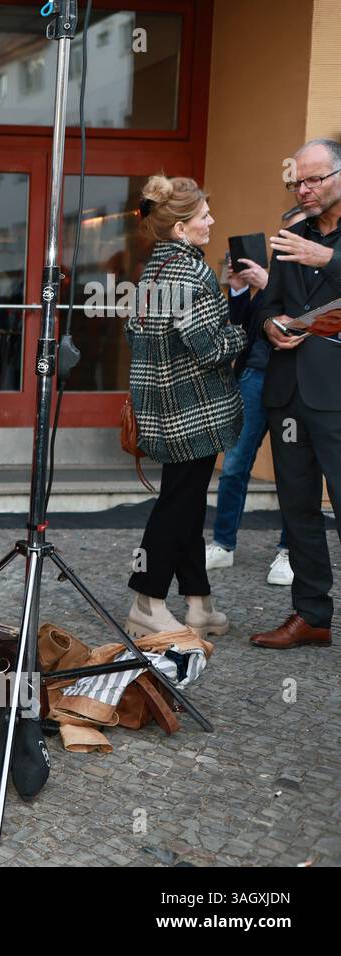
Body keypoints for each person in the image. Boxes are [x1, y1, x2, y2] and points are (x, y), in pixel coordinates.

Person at [124, 175, 245, 641]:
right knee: (179, 503)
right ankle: (147, 601)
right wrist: (245, 329)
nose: (212, 220)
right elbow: (212, 348)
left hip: (161, 405)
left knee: (186, 498)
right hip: (193, 409)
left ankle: (199, 603)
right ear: (180, 228)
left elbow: (135, 336)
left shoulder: (153, 271)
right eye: (203, 215)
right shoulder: (190, 272)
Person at [253, 139, 341, 650]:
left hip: (336, 396)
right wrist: (270, 325)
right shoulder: (291, 236)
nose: (303, 189)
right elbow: (270, 303)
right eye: (297, 182)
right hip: (289, 394)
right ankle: (311, 615)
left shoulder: (316, 244)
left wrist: (326, 257)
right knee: (298, 508)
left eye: (314, 180)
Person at [206, 206, 308, 585]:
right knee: (234, 465)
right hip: (254, 378)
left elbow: (311, 316)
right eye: (282, 236)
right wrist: (238, 288)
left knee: (293, 471)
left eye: (293, 234)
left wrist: (267, 283)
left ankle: (288, 551)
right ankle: (223, 543)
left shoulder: (318, 272)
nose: (285, 242)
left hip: (297, 383)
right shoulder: (274, 270)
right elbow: (245, 323)